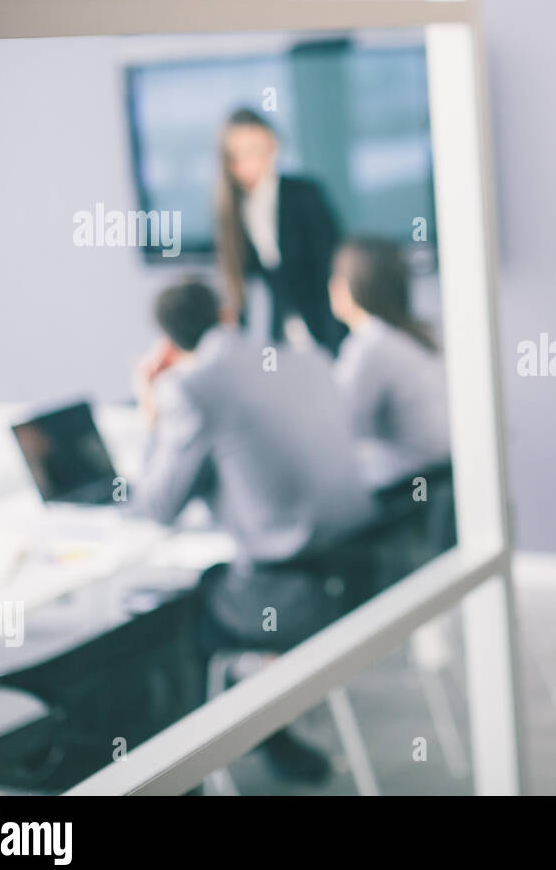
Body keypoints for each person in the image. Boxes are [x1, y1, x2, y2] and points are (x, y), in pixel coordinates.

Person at [128, 278, 378, 783]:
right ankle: (273, 740)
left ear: (171, 345)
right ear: (227, 314)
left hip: (291, 597)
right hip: (362, 575)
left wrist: (150, 408)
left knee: (175, 620)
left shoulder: (191, 389)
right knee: (222, 584)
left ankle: (186, 777)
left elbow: (156, 505)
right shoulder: (307, 361)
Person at [213, 108, 347, 357]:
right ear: (230, 161)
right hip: (271, 334)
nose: (259, 161)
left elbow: (332, 266)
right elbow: (241, 284)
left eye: (264, 149)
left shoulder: (304, 193)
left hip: (321, 324)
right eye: (245, 153)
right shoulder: (229, 210)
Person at [327, 237, 451, 491]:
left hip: (413, 491)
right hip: (445, 479)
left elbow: (339, 430)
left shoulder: (369, 345)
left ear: (347, 287)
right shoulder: (427, 332)